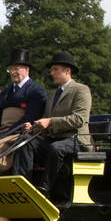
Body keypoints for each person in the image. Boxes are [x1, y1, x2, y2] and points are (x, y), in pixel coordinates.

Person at [26, 52, 92, 201]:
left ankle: (44, 188)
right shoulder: (53, 95)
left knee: (56, 149)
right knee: (27, 144)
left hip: (76, 139)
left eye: (55, 69)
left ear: (67, 71)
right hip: (55, 138)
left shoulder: (81, 90)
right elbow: (45, 121)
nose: (52, 73)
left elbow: (79, 119)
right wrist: (33, 127)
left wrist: (50, 122)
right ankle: (24, 183)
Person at [0, 49, 46, 177]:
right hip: (2, 131)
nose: (13, 72)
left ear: (26, 70)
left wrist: (7, 133)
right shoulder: (6, 92)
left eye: (16, 69)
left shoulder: (36, 91)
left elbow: (30, 117)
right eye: (11, 69)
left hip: (19, 131)